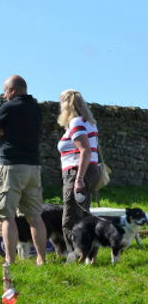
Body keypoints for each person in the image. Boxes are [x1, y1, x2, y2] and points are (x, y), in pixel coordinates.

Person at [0, 75, 47, 265]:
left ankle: (10, 261)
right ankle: (41, 259)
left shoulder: (9, 107)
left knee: (7, 217)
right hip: (33, 167)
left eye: (5, 91)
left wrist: (1, 132)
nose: (3, 95)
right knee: (35, 216)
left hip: (11, 166)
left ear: (12, 90)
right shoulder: (36, 109)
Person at [57, 89, 101, 255]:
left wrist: (79, 178)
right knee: (84, 215)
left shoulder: (76, 123)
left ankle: (74, 255)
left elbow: (85, 151)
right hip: (88, 170)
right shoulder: (88, 122)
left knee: (70, 218)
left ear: (67, 105)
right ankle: (89, 254)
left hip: (77, 172)